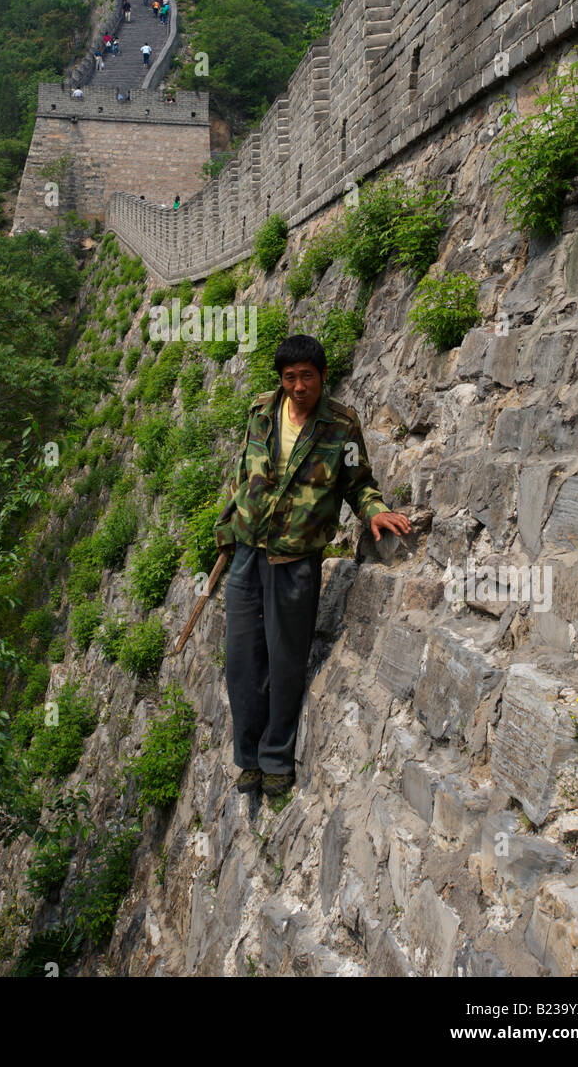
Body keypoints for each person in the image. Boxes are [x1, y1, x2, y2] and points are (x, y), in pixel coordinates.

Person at [213, 334, 411, 803]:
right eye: (290, 377)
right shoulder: (261, 410)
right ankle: (249, 760)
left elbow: (357, 482)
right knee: (242, 663)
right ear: (280, 380)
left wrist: (373, 511)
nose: (299, 386)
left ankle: (276, 760)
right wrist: (228, 527)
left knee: (285, 663)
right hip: (246, 553)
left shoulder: (340, 425)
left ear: (322, 376)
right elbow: (242, 473)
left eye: (307, 376)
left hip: (295, 560)